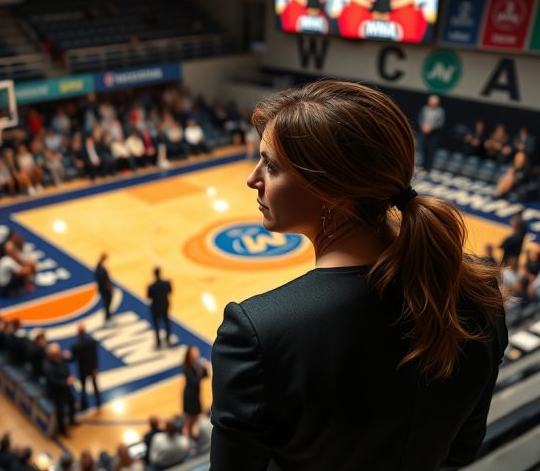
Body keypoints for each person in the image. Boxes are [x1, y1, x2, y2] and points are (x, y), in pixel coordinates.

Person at [210, 81, 507, 470]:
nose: (253, 178)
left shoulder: (258, 333)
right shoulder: (480, 293)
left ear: (332, 191)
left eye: (272, 165)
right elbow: (461, 450)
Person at [42, 343, 77, 436]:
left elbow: (70, 361)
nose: (60, 353)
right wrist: (66, 382)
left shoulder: (60, 359)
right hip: (57, 391)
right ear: (53, 355)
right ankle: (62, 430)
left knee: (72, 402)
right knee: (60, 411)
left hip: (65, 388)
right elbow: (54, 382)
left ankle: (72, 420)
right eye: (58, 352)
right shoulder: (48, 366)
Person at [68, 323, 101, 411]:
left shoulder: (75, 346)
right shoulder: (92, 342)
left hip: (82, 370)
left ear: (78, 333)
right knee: (95, 386)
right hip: (92, 368)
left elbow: (72, 359)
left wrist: (67, 357)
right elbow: (95, 356)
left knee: (83, 388)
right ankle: (98, 401)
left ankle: (84, 404)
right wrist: (95, 367)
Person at [182, 345, 208, 439]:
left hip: (196, 394)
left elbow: (205, 376)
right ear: (189, 355)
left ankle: (193, 436)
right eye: (194, 352)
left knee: (196, 418)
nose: (197, 353)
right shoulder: (187, 367)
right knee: (189, 420)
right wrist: (202, 368)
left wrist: (205, 367)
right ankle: (186, 439)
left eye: (197, 351)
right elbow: (194, 381)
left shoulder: (197, 364)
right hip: (189, 396)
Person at [417, 94, 445, 172]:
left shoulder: (440, 111)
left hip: (433, 135)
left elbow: (440, 123)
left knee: (431, 151)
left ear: (437, 102)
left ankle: (428, 168)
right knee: (422, 149)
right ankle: (421, 166)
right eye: (430, 101)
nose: (431, 102)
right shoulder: (424, 109)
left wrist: (431, 128)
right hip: (423, 132)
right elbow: (420, 118)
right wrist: (423, 126)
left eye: (433, 101)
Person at [147, 266, 173, 349]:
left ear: (154, 274)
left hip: (155, 308)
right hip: (164, 306)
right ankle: (168, 339)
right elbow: (170, 291)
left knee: (156, 325)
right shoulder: (166, 283)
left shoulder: (151, 286)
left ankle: (158, 342)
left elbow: (148, 296)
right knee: (166, 323)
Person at [95, 253, 114, 322]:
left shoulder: (99, 267)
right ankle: (107, 315)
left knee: (107, 301)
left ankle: (107, 314)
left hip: (102, 287)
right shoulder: (101, 270)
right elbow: (103, 280)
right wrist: (108, 286)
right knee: (108, 301)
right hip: (104, 288)